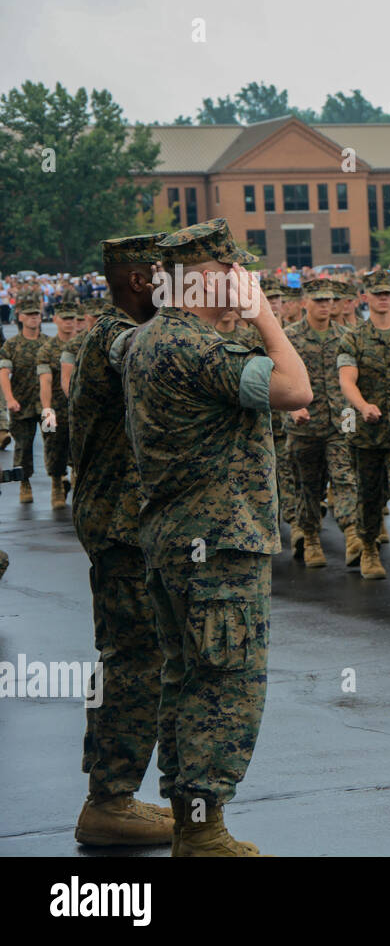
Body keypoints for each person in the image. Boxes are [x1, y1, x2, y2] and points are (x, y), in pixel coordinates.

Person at [122, 218, 312, 853]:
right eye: (232, 272)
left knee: (187, 678)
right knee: (224, 687)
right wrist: (264, 319)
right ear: (199, 282)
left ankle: (190, 820)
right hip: (217, 548)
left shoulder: (151, 340)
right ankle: (203, 834)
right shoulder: (198, 349)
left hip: (175, 541)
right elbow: (295, 387)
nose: (243, 282)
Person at [68, 232, 174, 848]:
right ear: (139, 280)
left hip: (133, 522)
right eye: (170, 273)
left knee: (143, 657)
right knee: (133, 659)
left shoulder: (127, 328)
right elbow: (154, 354)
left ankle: (116, 795)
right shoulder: (114, 333)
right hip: (120, 524)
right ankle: (108, 801)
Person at [338, 270, 390, 581]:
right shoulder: (353, 338)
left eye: (388, 293)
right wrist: (362, 407)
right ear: (365, 298)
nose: (383, 298)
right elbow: (347, 381)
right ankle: (369, 546)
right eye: (377, 294)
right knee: (370, 494)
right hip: (367, 432)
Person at [285, 279, 359, 567]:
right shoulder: (290, 338)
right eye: (319, 300)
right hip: (304, 424)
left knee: (345, 479)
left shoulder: (346, 336)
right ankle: (311, 537)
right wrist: (292, 411)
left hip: (340, 424)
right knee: (308, 486)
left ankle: (353, 535)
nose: (326, 305)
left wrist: (353, 424)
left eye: (329, 300)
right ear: (305, 303)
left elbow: (354, 382)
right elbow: (279, 381)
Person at [0, 297, 47, 503]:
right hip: (22, 405)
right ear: (20, 317)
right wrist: (10, 398)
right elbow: (3, 372)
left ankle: (58, 482)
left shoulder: (49, 343)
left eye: (36, 314)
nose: (33, 318)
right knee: (23, 447)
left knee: (57, 444)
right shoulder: (12, 345)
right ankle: (25, 484)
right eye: (29, 315)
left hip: (48, 407)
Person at [36, 302, 79, 509]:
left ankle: (76, 482)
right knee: (54, 449)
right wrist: (47, 409)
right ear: (55, 320)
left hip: (78, 409)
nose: (69, 322)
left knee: (79, 449)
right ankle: (56, 485)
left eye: (72, 318)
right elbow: (45, 382)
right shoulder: (47, 349)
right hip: (55, 408)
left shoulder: (83, 344)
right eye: (65, 319)